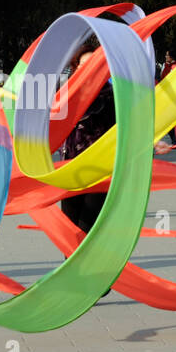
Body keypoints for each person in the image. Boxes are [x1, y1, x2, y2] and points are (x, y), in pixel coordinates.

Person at [59, 38, 115, 235]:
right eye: (83, 64)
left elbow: (126, 124)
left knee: (86, 226)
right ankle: (70, 265)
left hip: (98, 167)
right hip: (70, 167)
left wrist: (154, 140)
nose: (88, 68)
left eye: (93, 63)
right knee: (69, 226)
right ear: (76, 67)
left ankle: (84, 264)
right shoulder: (65, 93)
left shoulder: (110, 93)